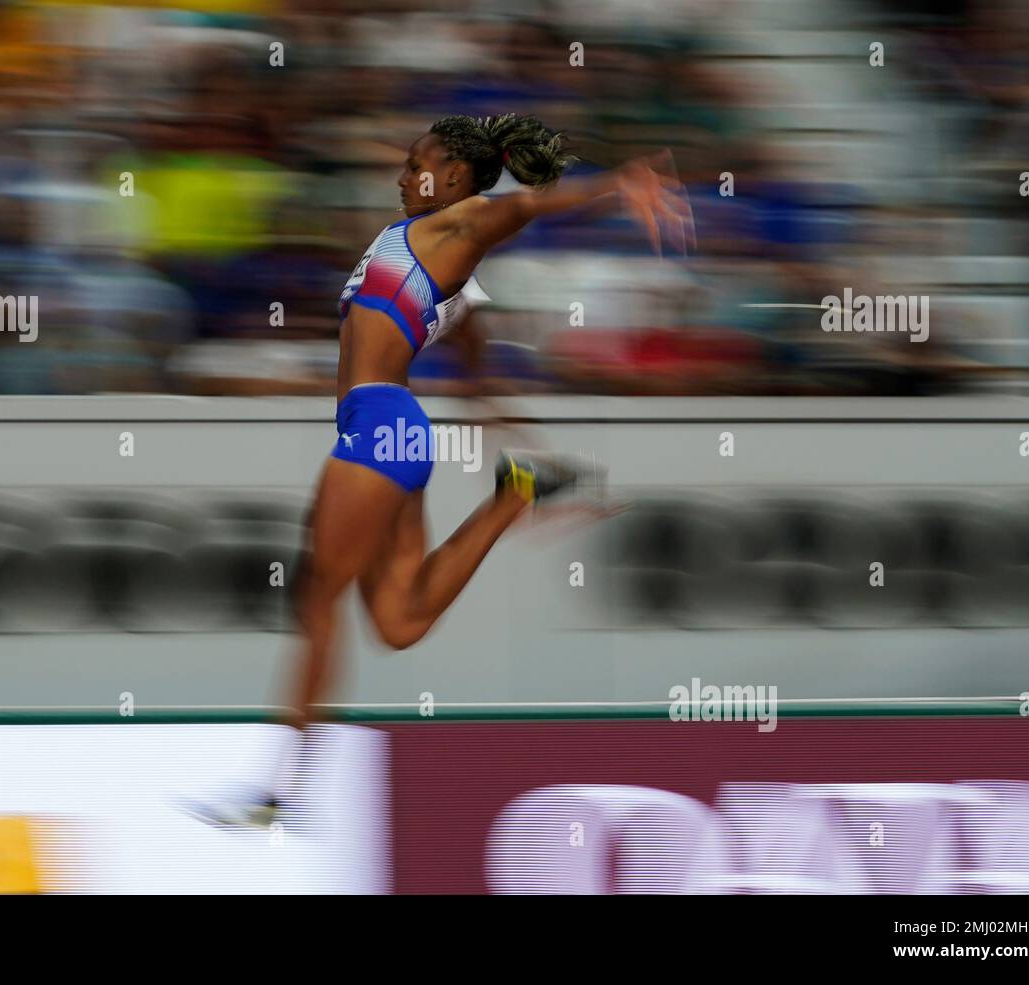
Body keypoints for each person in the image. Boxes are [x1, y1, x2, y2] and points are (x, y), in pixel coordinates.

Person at [213, 113, 693, 827]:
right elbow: (480, 391)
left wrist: (621, 183)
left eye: (418, 165)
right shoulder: (451, 279)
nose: (403, 176)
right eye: (405, 164)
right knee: (398, 621)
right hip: (401, 432)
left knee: (317, 597)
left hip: (378, 427)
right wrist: (543, 455)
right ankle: (511, 497)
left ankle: (279, 788)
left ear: (460, 180)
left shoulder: (454, 225)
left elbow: (522, 204)